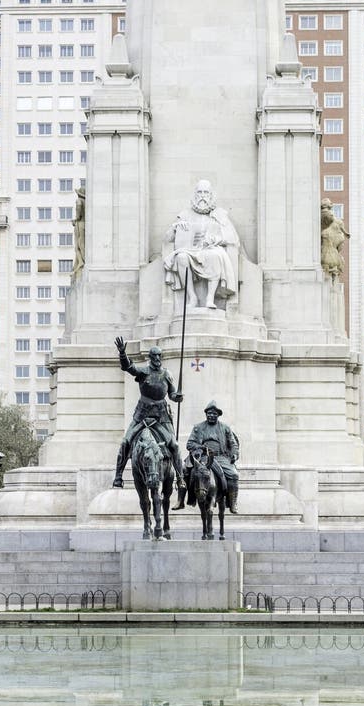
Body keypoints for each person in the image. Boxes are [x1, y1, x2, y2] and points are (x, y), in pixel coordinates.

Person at [112, 337, 186, 496]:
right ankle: (118, 476)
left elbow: (171, 393)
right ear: (150, 357)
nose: (157, 358)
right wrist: (123, 354)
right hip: (142, 415)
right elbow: (128, 367)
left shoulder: (167, 374)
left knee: (174, 445)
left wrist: (177, 397)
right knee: (126, 442)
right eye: (155, 356)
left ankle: (180, 478)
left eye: (159, 356)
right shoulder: (143, 372)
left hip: (161, 416)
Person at [163, 179, 239, 309]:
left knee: (215, 256)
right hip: (190, 250)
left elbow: (232, 238)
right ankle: (192, 297)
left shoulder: (219, 214)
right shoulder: (185, 214)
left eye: (206, 192)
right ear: (195, 194)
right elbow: (167, 239)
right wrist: (175, 227)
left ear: (211, 195)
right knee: (181, 257)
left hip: (210, 249)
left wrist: (216, 239)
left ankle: (210, 298)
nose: (202, 196)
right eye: (200, 192)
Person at [174, 400, 239, 513]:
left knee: (234, 474)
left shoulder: (225, 428)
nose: (211, 415)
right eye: (209, 413)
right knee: (184, 470)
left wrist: (234, 454)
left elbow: (233, 444)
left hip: (220, 457)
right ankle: (181, 500)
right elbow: (190, 444)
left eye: (214, 413)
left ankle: (232, 503)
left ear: (218, 415)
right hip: (201, 457)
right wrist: (201, 447)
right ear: (206, 414)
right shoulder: (198, 427)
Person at [71, 186, 86, 280]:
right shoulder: (87, 202)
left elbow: (79, 210)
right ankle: (81, 261)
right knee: (81, 243)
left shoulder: (79, 201)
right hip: (84, 224)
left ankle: (81, 261)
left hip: (80, 224)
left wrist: (75, 219)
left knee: (78, 245)